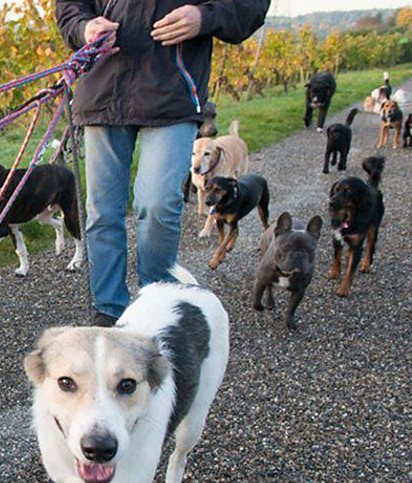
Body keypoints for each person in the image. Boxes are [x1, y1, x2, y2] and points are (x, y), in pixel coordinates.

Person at [56, 0, 269, 326]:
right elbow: (70, 5)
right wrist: (84, 27)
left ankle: (156, 309)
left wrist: (204, 16)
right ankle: (109, 311)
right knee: (101, 210)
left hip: (173, 89)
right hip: (102, 88)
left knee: (159, 204)